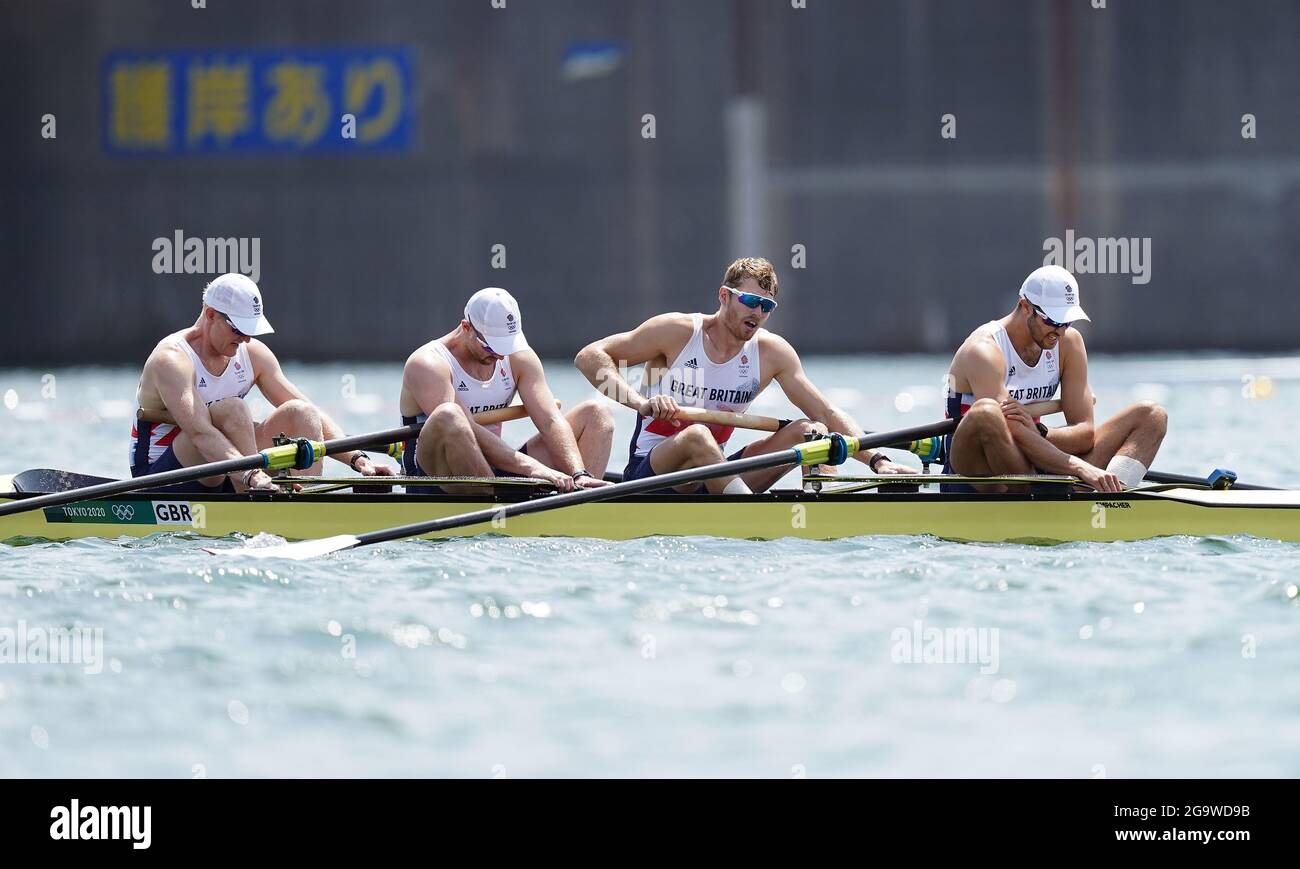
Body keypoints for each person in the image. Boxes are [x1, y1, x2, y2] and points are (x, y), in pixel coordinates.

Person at [574, 257, 915, 494]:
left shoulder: (772, 354)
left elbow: (826, 411)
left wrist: (877, 460)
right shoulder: (676, 332)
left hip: (717, 472)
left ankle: (821, 505)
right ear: (724, 296)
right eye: (751, 301)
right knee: (697, 437)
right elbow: (589, 357)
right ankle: (750, 512)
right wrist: (640, 402)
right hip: (655, 473)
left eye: (767, 307)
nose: (758, 313)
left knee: (813, 431)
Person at [131, 273, 393, 492]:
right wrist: (252, 475)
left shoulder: (253, 355)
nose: (245, 339)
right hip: (162, 476)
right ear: (211, 315)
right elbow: (200, 432)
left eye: (250, 330)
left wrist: (359, 460)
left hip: (232, 469)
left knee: (301, 412)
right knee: (232, 410)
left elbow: (311, 414)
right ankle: (254, 494)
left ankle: (308, 501)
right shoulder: (173, 359)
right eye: (238, 329)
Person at [943, 265, 1167, 492]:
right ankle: (1039, 498)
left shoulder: (1069, 343)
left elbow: (1084, 433)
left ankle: (1112, 499)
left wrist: (1041, 431)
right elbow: (1012, 431)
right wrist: (1079, 468)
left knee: (1152, 415)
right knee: (987, 413)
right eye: (1052, 321)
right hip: (980, 471)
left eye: (1066, 322)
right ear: (1025, 307)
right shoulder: (984, 350)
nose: (1059, 332)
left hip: (1038, 457)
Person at [398, 287, 614, 492]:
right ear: (466, 328)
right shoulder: (427, 363)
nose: (501, 356)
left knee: (596, 413)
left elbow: (549, 421)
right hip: (437, 475)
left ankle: (582, 494)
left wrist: (577, 472)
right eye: (492, 346)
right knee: (450, 415)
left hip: (494, 467)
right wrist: (533, 468)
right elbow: (467, 428)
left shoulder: (519, 357)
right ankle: (497, 501)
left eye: (506, 345)